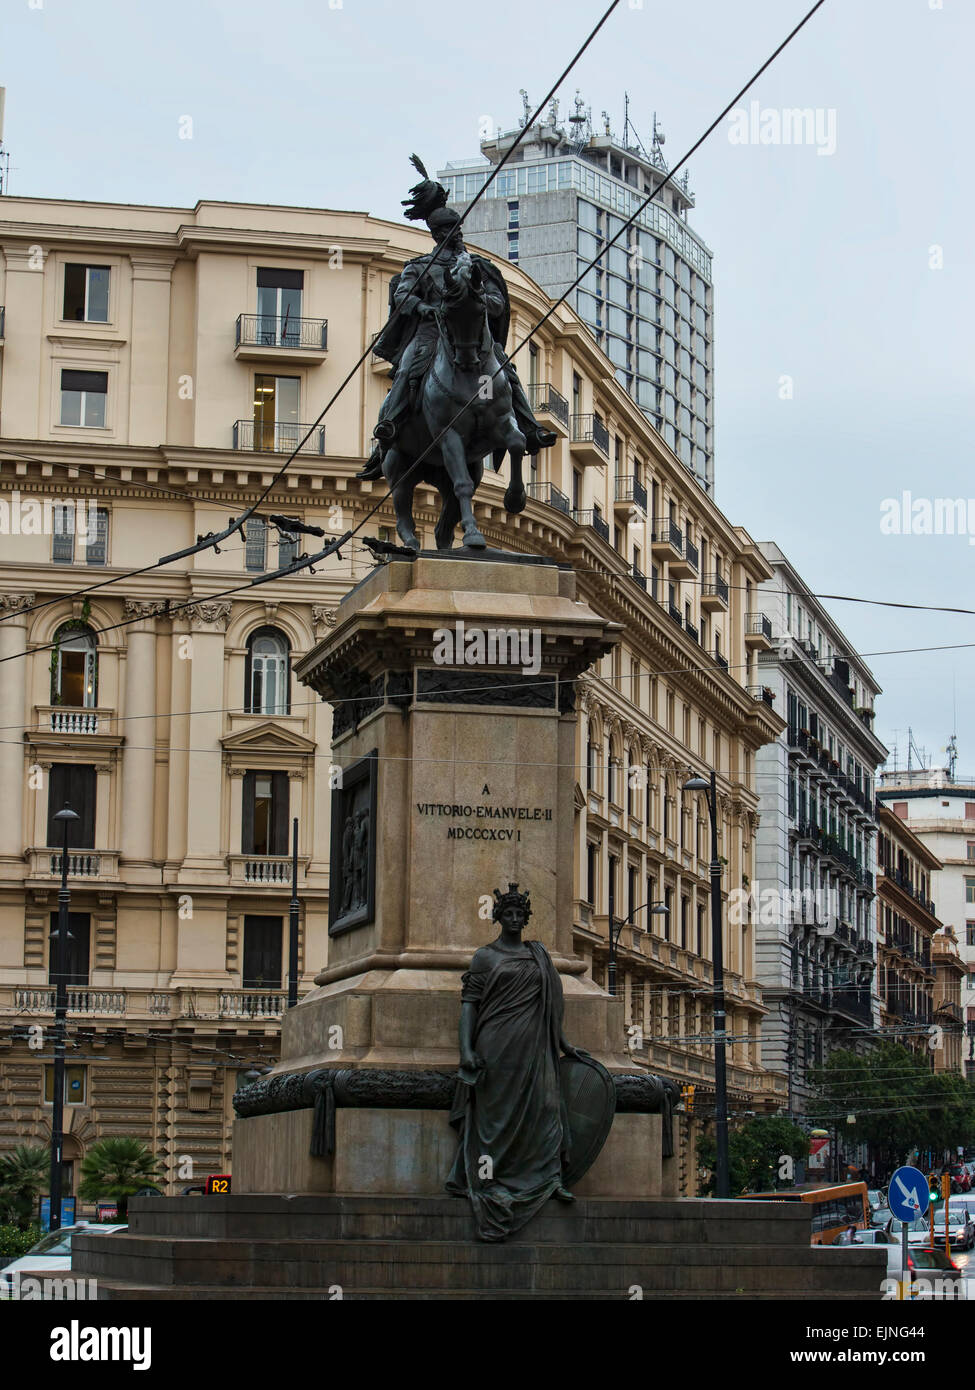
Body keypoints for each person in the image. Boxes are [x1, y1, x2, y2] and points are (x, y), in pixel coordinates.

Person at [446, 883, 584, 1242]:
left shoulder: (538, 954)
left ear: (525, 918)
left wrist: (564, 1044)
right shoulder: (484, 957)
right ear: (497, 917)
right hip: (496, 1045)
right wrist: (466, 1050)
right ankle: (492, 1179)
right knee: (494, 1118)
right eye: (507, 914)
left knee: (547, 1106)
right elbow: (469, 1006)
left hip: (535, 1045)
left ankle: (549, 1178)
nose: (513, 919)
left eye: (519, 914)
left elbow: (552, 1006)